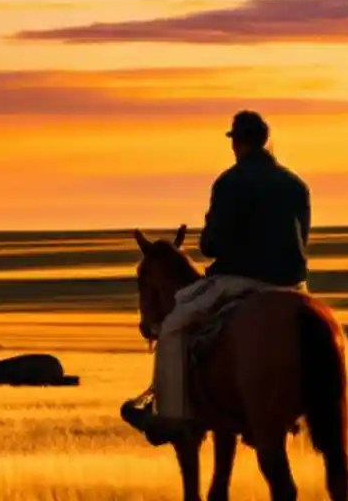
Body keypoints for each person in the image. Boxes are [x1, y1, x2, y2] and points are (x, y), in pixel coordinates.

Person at [124, 110, 311, 445]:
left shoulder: (229, 182)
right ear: (265, 140)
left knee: (173, 327)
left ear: (236, 143)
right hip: (292, 285)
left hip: (241, 280)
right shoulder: (297, 185)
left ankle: (172, 415)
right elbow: (303, 238)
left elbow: (211, 246)